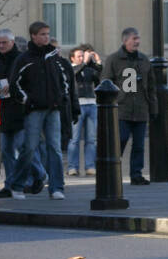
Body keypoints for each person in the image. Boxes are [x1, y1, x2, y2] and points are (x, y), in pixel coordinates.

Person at [5, 21, 71, 200]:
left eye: (47, 34)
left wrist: (61, 97)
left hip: (53, 108)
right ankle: (17, 185)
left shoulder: (54, 57)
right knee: (30, 148)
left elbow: (64, 78)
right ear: (33, 36)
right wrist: (27, 100)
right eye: (42, 34)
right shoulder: (24, 59)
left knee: (54, 148)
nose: (46, 37)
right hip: (34, 109)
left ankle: (57, 187)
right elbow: (15, 84)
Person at [0, 29, 47, 198]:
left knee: (24, 148)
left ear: (12, 42)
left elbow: (30, 83)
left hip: (21, 110)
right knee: (6, 151)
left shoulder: (21, 60)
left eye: (4, 42)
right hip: (6, 111)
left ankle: (39, 173)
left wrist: (13, 88)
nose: (1, 46)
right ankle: (10, 184)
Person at [102, 28, 157, 185]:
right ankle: (112, 171)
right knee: (120, 141)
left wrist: (153, 108)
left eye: (138, 38)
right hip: (121, 109)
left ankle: (136, 174)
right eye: (134, 38)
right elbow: (105, 82)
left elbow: (151, 86)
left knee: (139, 145)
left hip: (141, 109)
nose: (137, 41)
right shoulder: (114, 59)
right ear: (125, 40)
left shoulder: (144, 60)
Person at [67, 44, 101, 176]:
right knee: (74, 139)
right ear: (72, 58)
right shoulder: (70, 69)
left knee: (91, 139)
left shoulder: (88, 68)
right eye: (79, 56)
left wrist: (97, 62)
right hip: (78, 105)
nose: (82, 58)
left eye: (83, 56)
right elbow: (73, 75)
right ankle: (72, 166)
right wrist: (85, 63)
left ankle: (90, 166)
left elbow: (98, 78)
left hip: (91, 104)